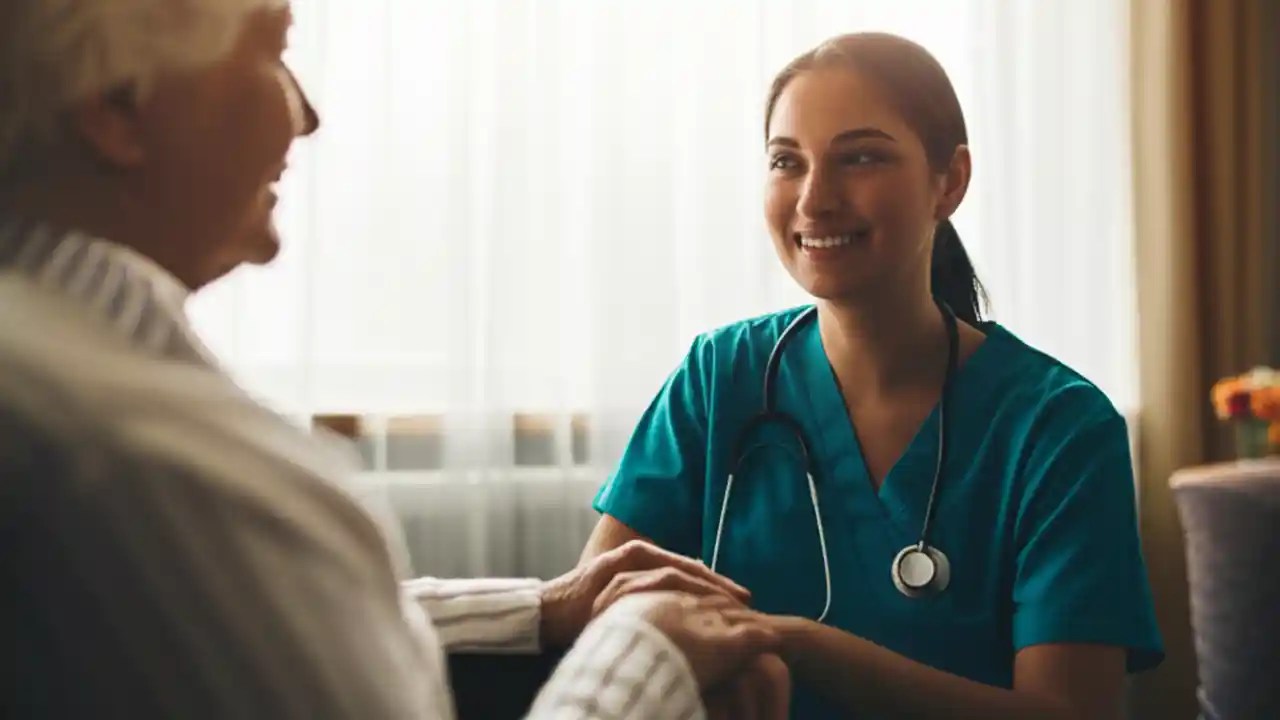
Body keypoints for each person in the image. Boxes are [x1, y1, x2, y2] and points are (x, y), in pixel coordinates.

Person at [0, 1, 790, 717]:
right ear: (120, 106)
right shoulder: (156, 465)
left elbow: (226, 615)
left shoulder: (59, 387)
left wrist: (541, 608)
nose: (306, 116)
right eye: (273, 56)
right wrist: (649, 658)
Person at [583, 32, 1164, 720]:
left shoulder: (1059, 429)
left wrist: (795, 643)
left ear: (948, 182)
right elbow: (599, 618)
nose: (815, 199)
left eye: (860, 157)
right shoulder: (718, 380)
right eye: (785, 162)